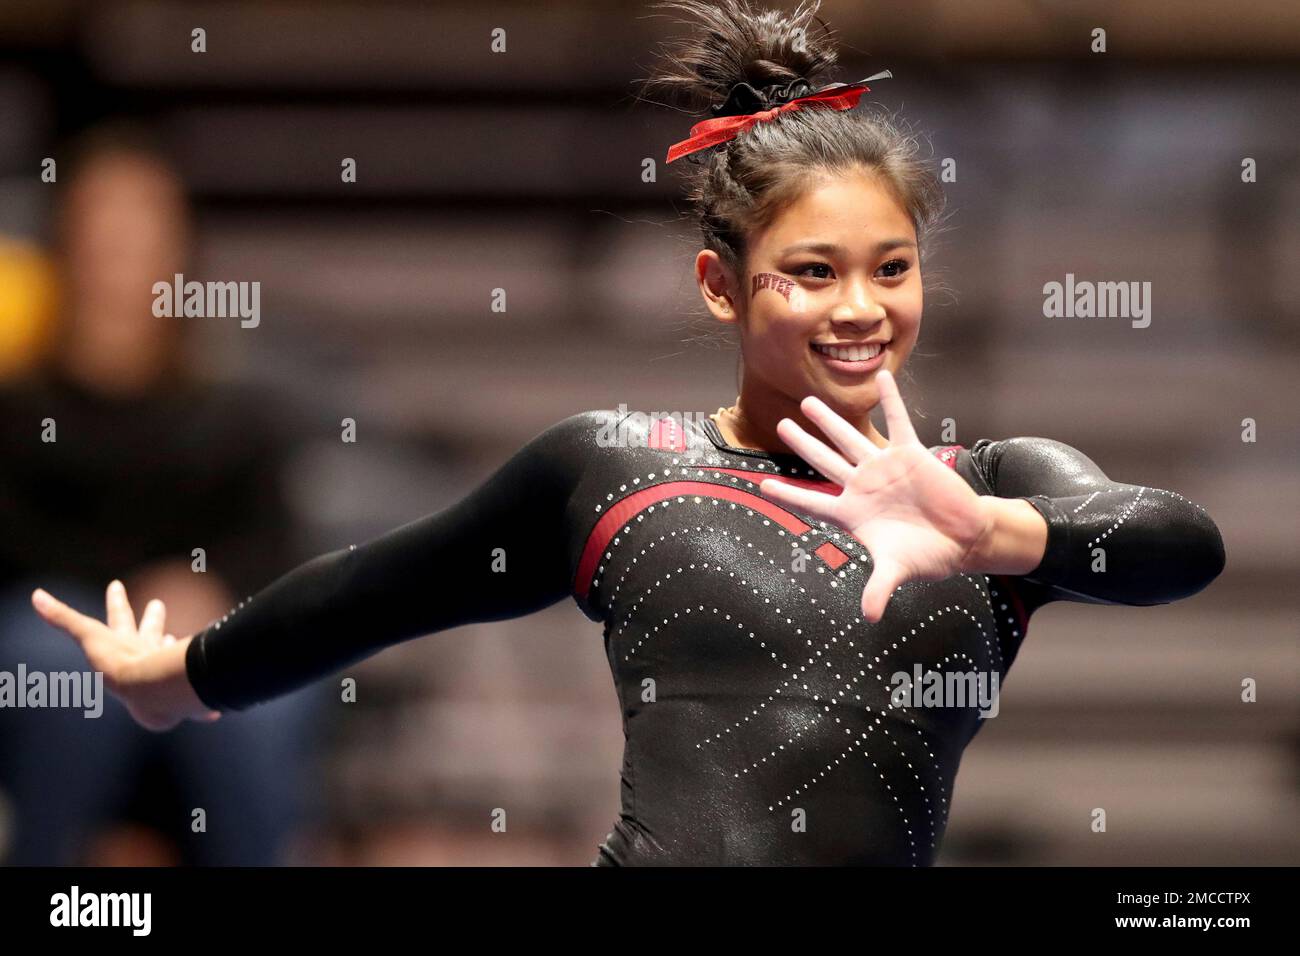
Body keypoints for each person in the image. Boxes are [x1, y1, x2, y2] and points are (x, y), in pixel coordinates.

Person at [28, 0, 1225, 865]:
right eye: (813, 271)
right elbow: (373, 589)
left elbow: (1178, 544)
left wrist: (994, 534)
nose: (860, 306)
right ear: (721, 284)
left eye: (891, 268)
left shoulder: (989, 486)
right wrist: (185, 676)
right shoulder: (616, 470)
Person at [0, 126, 322, 865]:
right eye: (103, 230)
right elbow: (14, 549)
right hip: (59, 635)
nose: (121, 255)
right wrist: (136, 598)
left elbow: (275, 554)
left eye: (142, 230)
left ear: (180, 254)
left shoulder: (238, 418)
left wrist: (205, 591)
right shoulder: (15, 415)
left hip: (198, 633)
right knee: (56, 671)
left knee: (258, 687)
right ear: (65, 248)